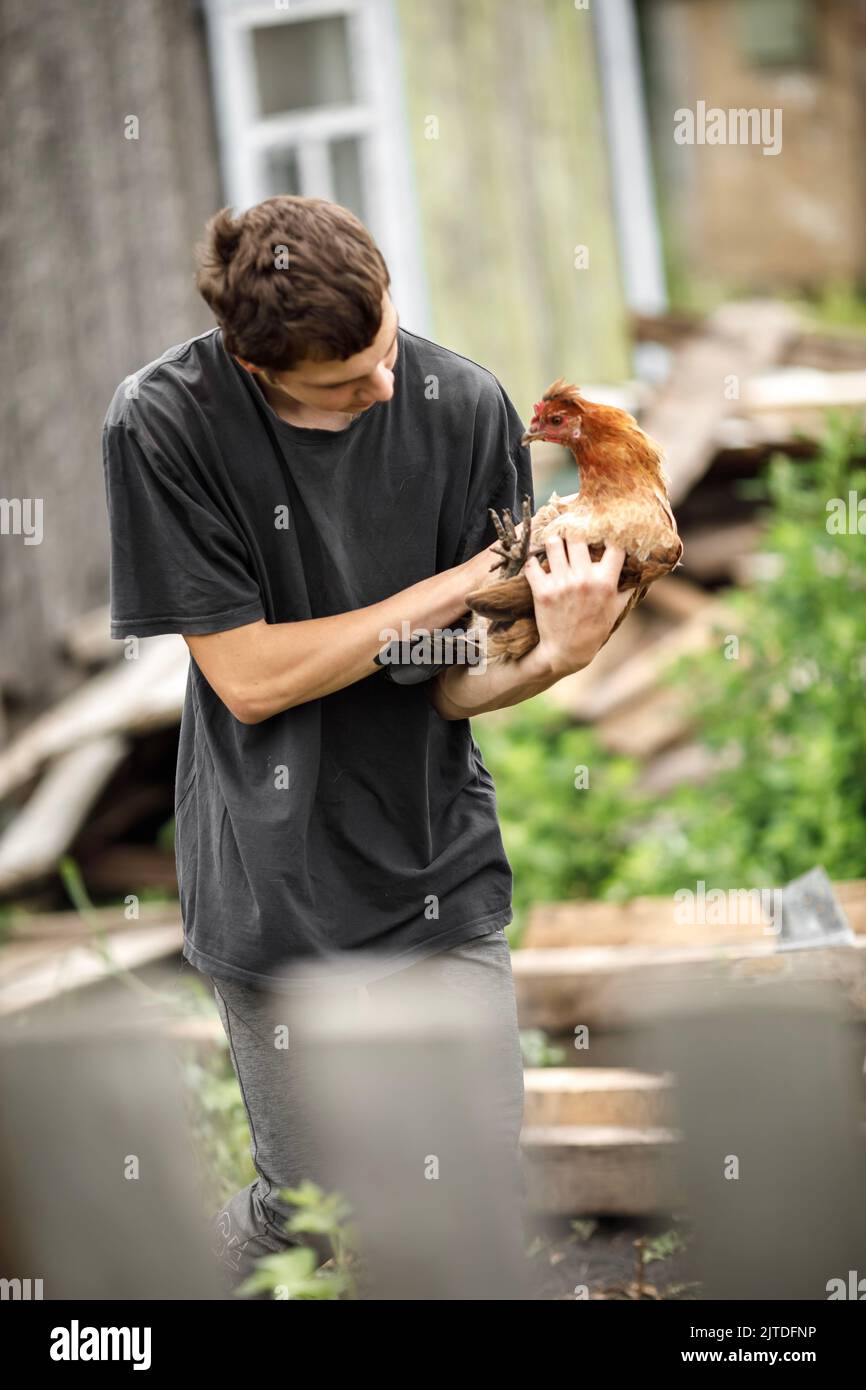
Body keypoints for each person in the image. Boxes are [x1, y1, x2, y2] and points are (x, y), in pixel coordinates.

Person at [101, 195, 630, 1294]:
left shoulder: (466, 406)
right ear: (255, 370)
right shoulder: (165, 422)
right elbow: (248, 682)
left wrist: (557, 656)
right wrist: (454, 585)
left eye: (386, 346)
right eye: (343, 384)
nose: (385, 387)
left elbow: (448, 684)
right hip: (270, 871)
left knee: (470, 1198)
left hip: (433, 858)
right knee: (303, 1207)